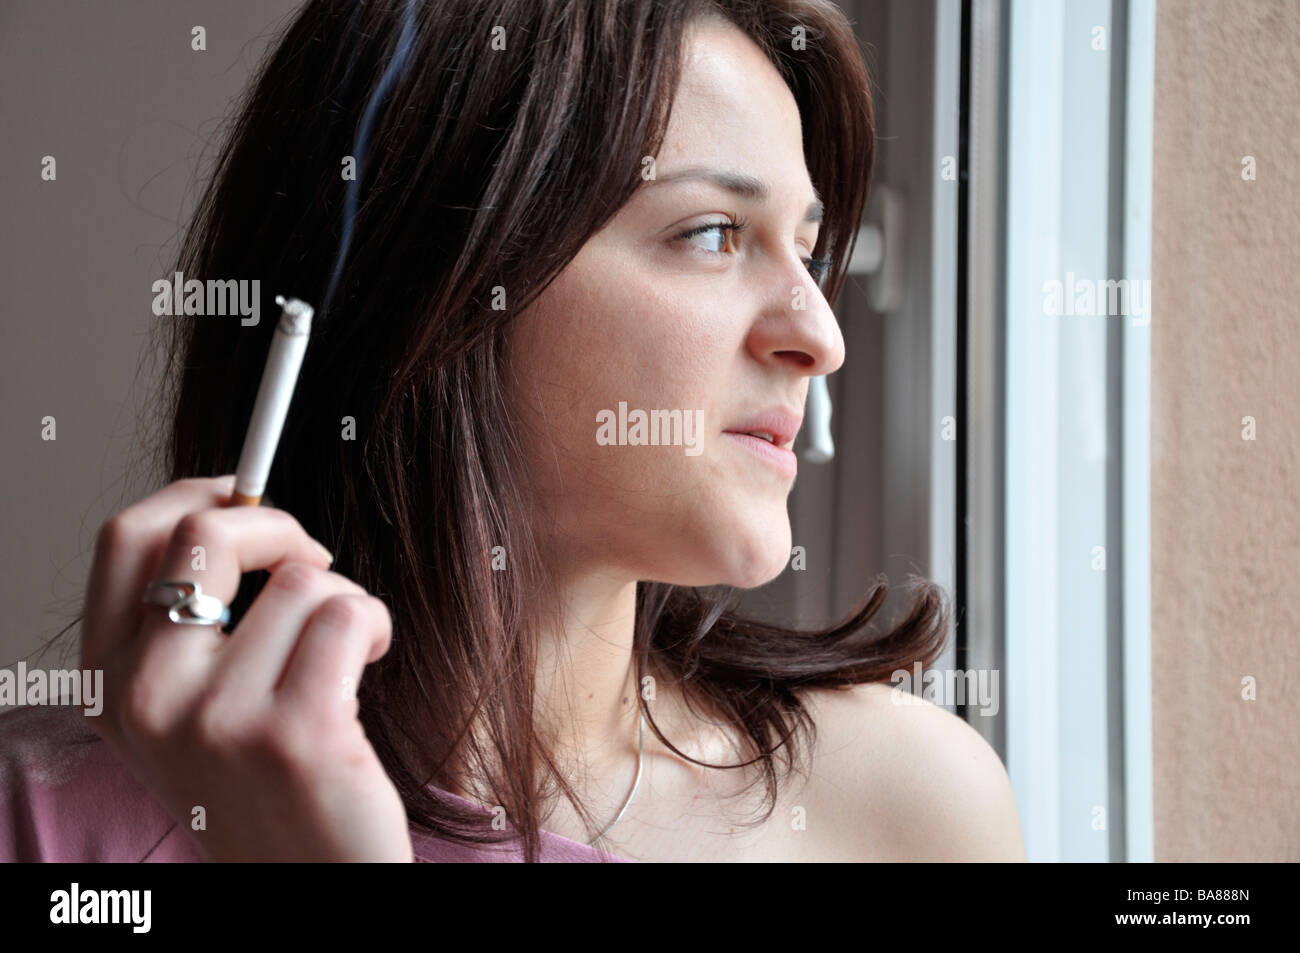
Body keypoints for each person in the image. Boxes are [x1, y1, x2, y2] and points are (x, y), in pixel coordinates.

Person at [0, 0, 1025, 862]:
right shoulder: (35, 818)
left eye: (805, 251)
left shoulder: (905, 811)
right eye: (713, 233)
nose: (820, 335)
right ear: (438, 284)